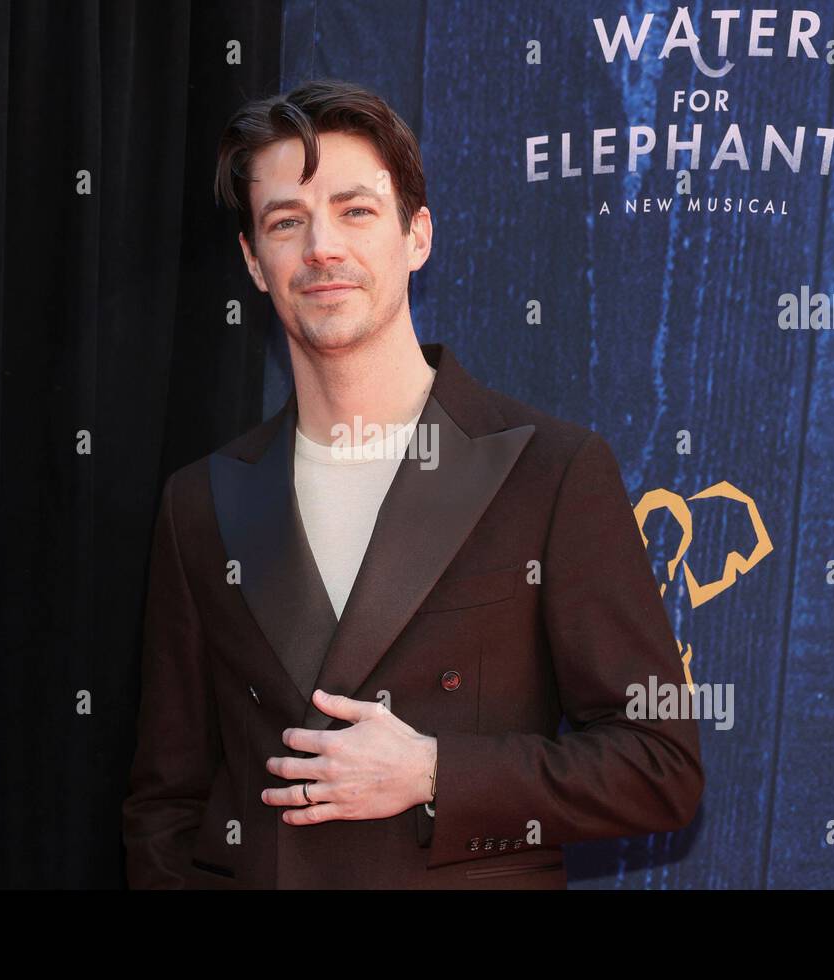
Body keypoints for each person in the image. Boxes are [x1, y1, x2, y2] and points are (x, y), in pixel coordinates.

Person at [121, 78, 703, 889]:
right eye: (287, 221)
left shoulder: (551, 471)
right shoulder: (200, 504)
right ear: (255, 262)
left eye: (355, 210)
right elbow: (166, 804)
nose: (322, 246)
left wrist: (434, 772)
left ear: (416, 235)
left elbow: (661, 763)